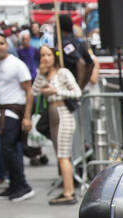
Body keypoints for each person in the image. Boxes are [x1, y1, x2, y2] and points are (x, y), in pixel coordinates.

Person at [0, 31, 34, 202]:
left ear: (7, 45)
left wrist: (27, 117)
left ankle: (23, 186)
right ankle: (14, 185)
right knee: (4, 151)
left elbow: (29, 91)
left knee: (9, 148)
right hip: (1, 111)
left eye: (1, 43)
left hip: (15, 111)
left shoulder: (17, 65)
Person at [31, 46, 81, 205]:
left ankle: (69, 192)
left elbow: (77, 92)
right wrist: (40, 73)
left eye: (48, 54)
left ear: (55, 56)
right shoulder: (44, 75)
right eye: (42, 55)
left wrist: (56, 90)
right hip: (52, 115)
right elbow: (34, 92)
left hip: (63, 114)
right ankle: (67, 189)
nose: (45, 58)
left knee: (63, 156)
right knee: (60, 154)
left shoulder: (63, 73)